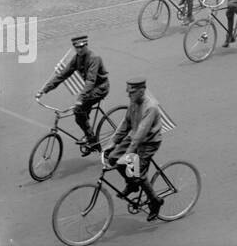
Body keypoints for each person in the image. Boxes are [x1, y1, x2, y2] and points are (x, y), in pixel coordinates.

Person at [105, 76, 166, 220]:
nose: (128, 94)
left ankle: (155, 201)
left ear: (142, 91)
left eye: (132, 92)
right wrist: (112, 142)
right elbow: (125, 124)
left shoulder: (150, 107)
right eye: (128, 91)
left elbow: (141, 134)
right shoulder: (133, 102)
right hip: (134, 137)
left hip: (148, 142)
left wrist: (128, 154)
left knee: (138, 172)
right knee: (113, 158)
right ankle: (132, 184)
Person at [35, 35, 109, 152]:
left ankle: (91, 139)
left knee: (78, 110)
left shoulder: (94, 58)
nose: (79, 50)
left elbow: (90, 81)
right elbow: (62, 75)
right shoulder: (77, 58)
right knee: (82, 113)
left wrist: (80, 98)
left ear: (86, 45)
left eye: (82, 47)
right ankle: (89, 135)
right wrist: (44, 90)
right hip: (89, 89)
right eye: (77, 48)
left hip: (100, 88)